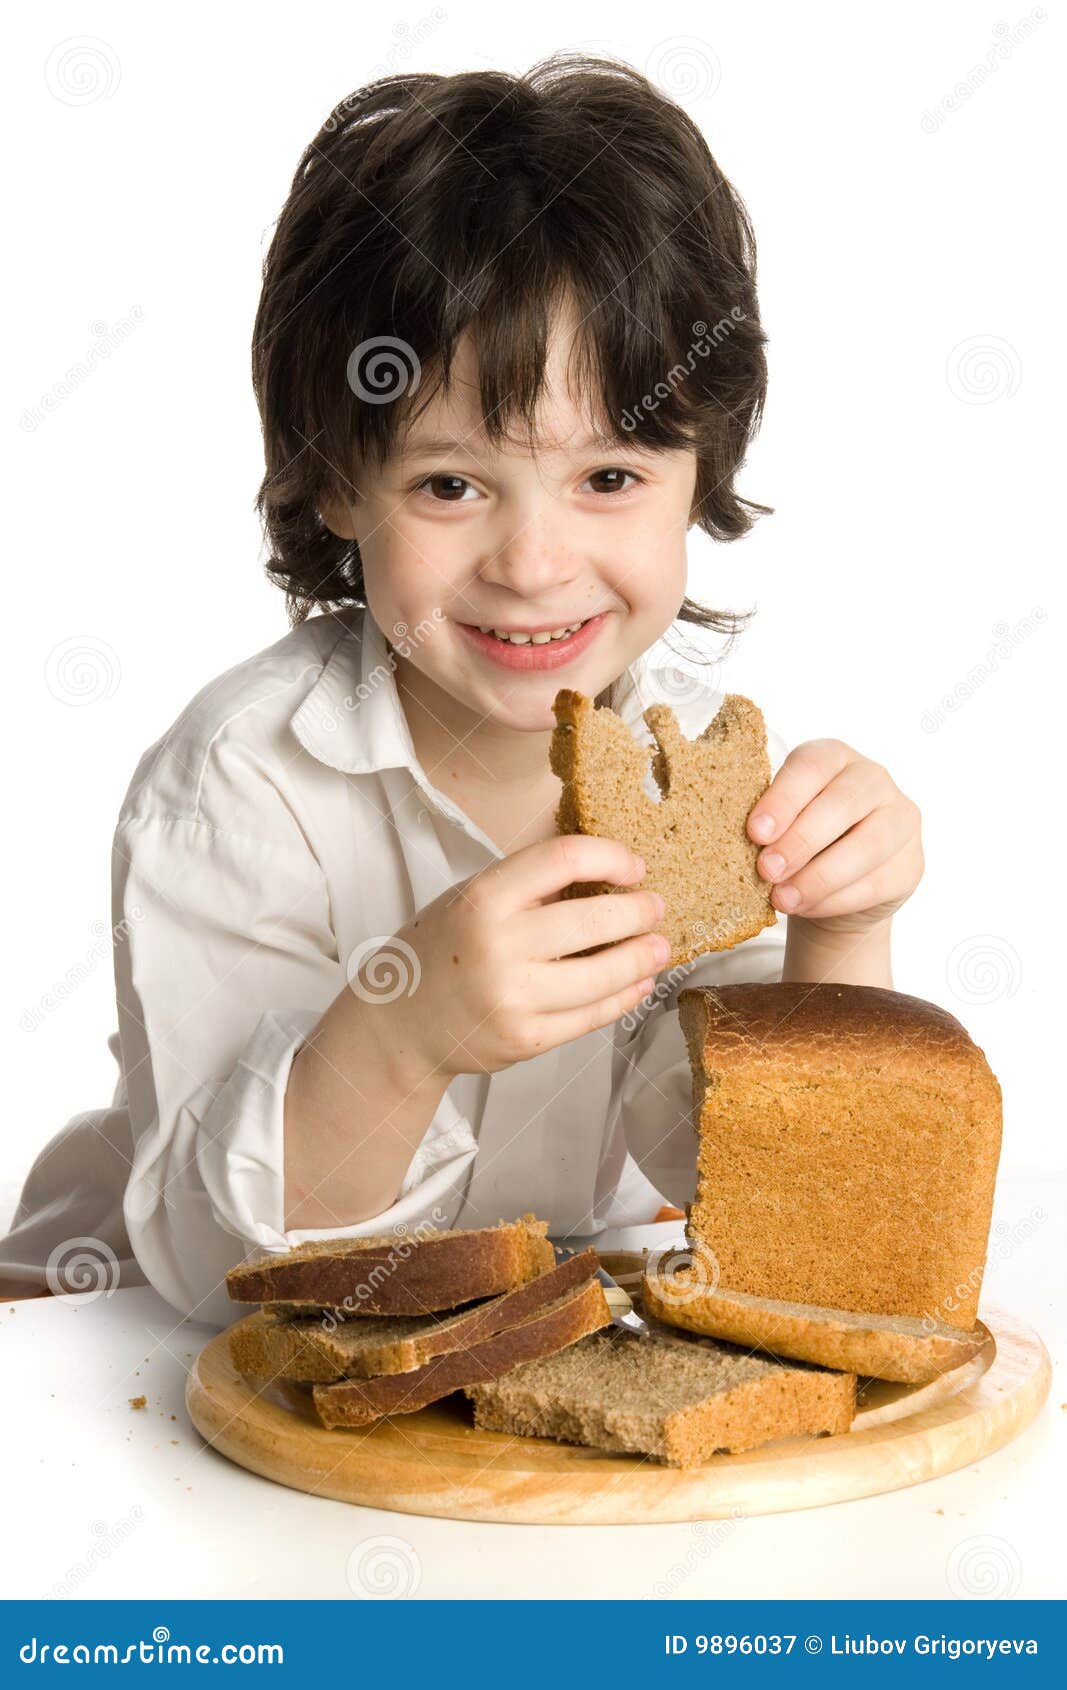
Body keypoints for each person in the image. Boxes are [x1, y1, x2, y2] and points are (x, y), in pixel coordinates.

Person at [0, 56, 922, 1326]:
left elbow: (761, 1188)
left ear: (698, 465)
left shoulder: (684, 789)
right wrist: (405, 1030)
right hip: (104, 1327)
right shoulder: (245, 785)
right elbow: (228, 1274)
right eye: (449, 485)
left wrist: (838, 927)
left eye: (607, 478)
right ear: (336, 481)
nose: (534, 565)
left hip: (467, 1347)